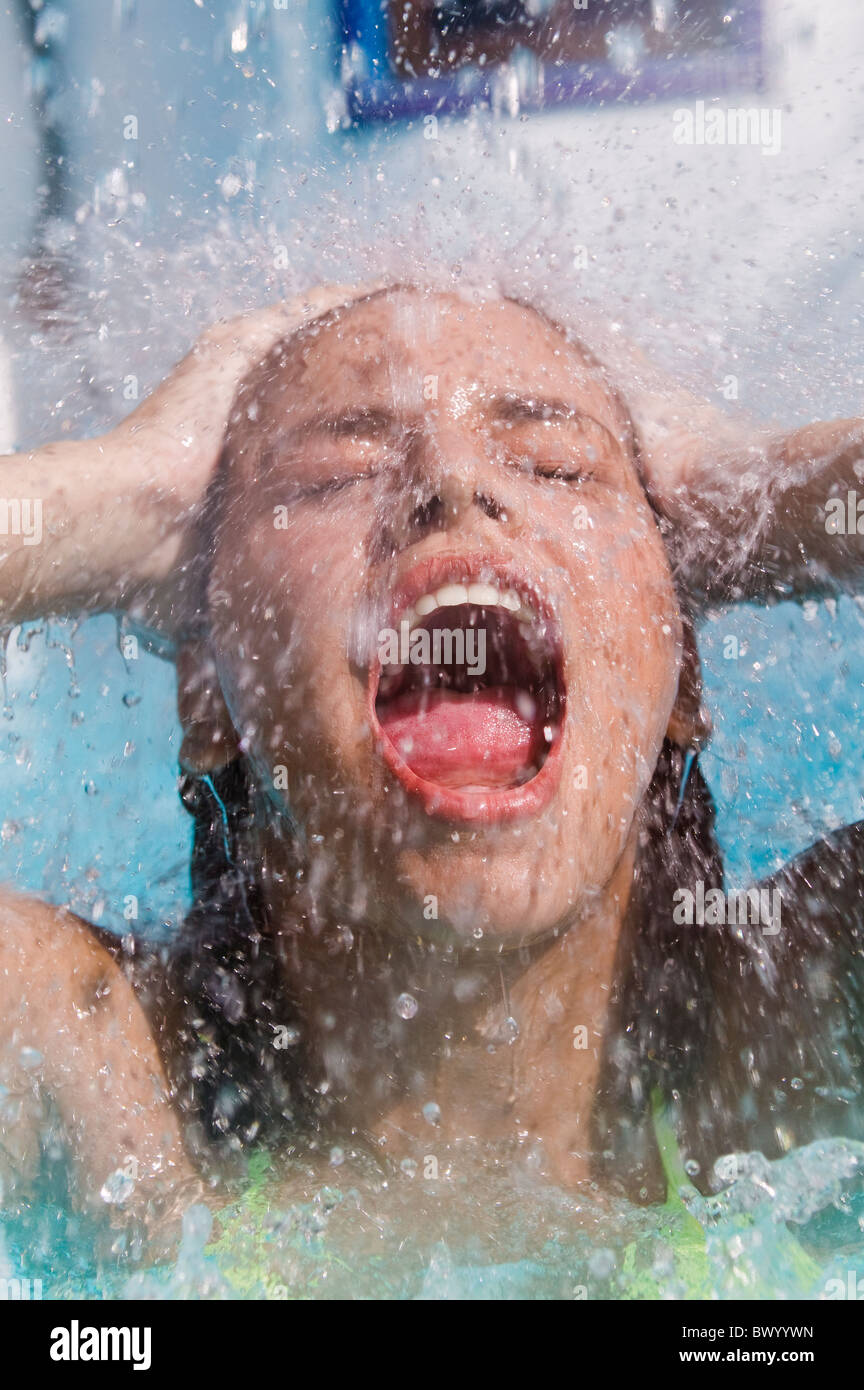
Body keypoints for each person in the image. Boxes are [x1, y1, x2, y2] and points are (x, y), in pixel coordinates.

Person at [0, 280, 862, 1226]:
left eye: (558, 463)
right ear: (207, 696)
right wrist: (119, 493)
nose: (454, 486)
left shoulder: (795, 1043)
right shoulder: (96, 1078)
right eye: (333, 474)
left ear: (684, 677)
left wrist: (757, 487)